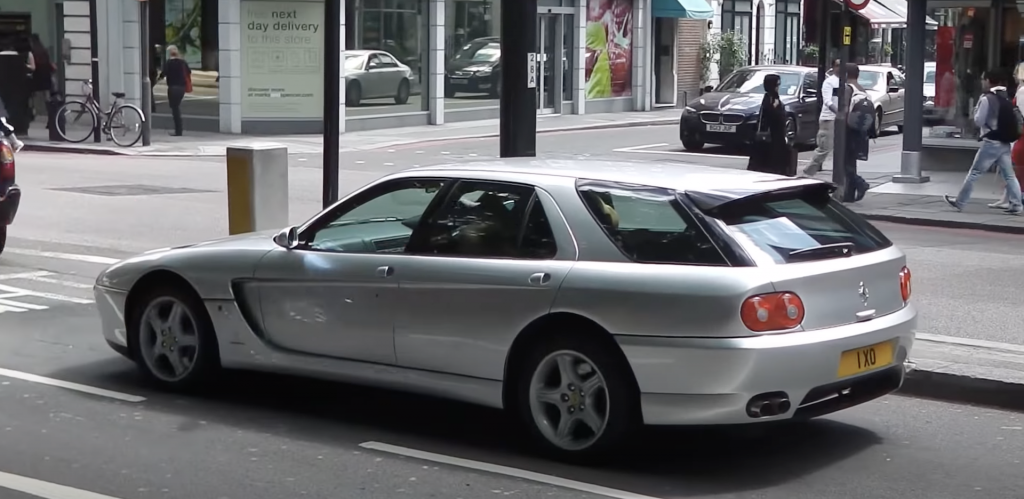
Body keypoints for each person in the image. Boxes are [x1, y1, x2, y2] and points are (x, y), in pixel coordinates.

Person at [944, 68, 1023, 215]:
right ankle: (1017, 205)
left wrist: (975, 112)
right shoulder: (1005, 97)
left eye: (983, 79)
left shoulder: (987, 98)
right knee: (1009, 175)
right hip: (1003, 141)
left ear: (988, 81)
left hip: (991, 142)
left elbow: (979, 121)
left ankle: (960, 202)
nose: (982, 81)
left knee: (974, 173)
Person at [746, 74, 794, 176]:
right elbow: (773, 115)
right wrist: (777, 108)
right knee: (773, 159)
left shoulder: (771, 97)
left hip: (775, 135)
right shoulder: (771, 99)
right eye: (777, 84)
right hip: (773, 136)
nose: (778, 87)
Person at [802, 59, 841, 177]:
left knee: (842, 149)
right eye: (838, 65)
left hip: (841, 119)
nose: (840, 68)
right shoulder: (829, 82)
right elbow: (827, 101)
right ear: (833, 67)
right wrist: (839, 113)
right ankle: (807, 173)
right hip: (829, 119)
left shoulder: (845, 82)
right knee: (824, 148)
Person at [840, 63, 871, 202]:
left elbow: (845, 110)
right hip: (860, 131)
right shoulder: (862, 90)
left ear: (846, 74)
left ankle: (860, 183)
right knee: (851, 162)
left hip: (849, 130)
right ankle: (849, 195)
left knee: (845, 162)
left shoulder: (848, 89)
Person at [0, 38, 32, 136]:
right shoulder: (20, 58)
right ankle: (19, 130)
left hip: (2, 88)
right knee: (17, 109)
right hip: (18, 89)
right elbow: (27, 71)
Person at [157, 45, 191, 136]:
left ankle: (178, 130)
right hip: (182, 87)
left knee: (175, 109)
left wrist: (158, 79)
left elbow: (164, 73)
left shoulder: (169, 63)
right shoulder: (183, 62)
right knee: (176, 107)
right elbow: (188, 72)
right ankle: (178, 129)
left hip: (172, 87)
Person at [28, 34, 53, 122]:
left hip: (37, 76)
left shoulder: (33, 52)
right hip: (46, 76)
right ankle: (51, 117)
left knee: (31, 97)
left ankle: (32, 114)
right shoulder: (44, 51)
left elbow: (33, 67)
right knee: (47, 98)